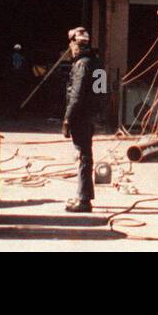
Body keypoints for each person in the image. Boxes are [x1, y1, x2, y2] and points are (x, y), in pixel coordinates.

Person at [61, 26, 101, 213]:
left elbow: (76, 95)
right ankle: (84, 196)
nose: (71, 48)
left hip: (81, 116)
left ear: (76, 44)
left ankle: (84, 200)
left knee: (84, 156)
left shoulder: (81, 64)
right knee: (86, 155)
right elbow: (102, 91)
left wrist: (67, 120)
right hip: (91, 115)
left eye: (71, 44)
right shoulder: (97, 62)